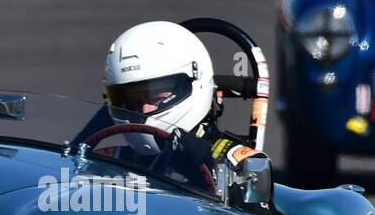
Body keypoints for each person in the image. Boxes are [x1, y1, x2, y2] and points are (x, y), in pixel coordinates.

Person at [100, 20, 267, 185]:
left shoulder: (238, 165)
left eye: (157, 98)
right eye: (131, 102)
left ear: (195, 81)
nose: (144, 109)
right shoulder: (109, 162)